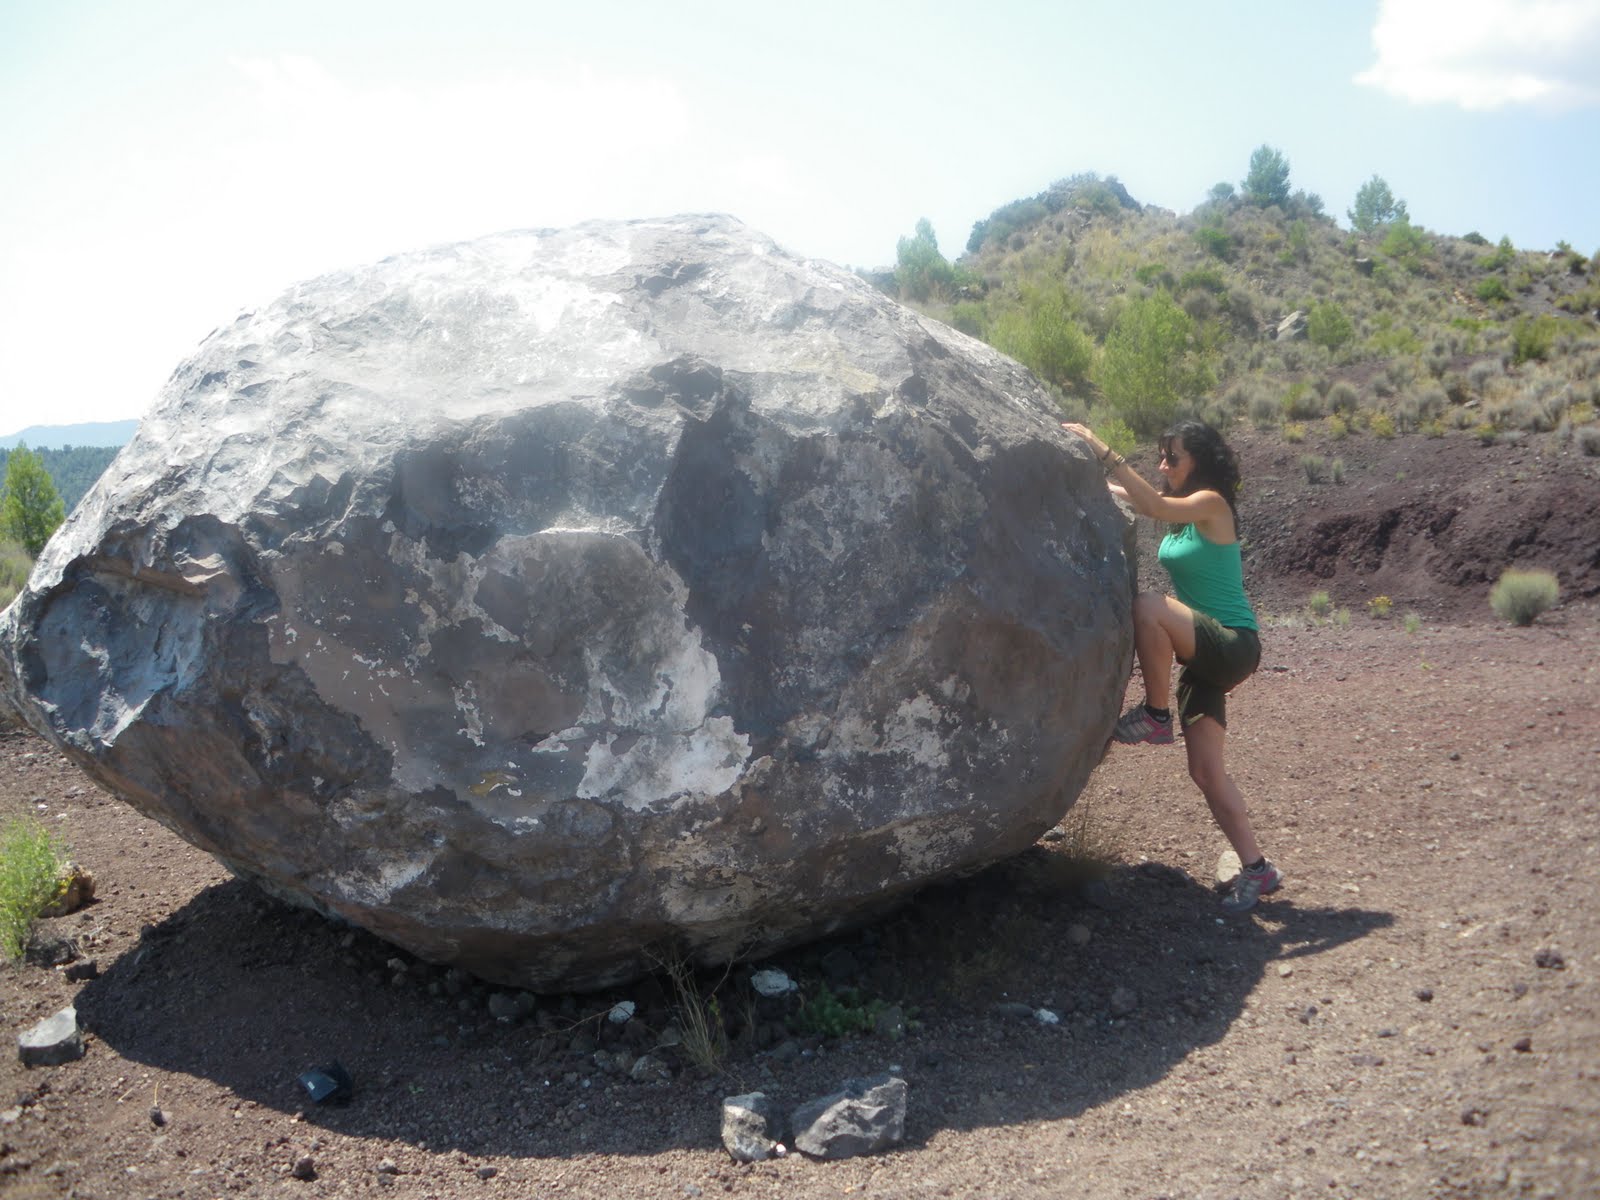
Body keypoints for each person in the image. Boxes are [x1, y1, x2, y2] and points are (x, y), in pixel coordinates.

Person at [1062, 418, 1281, 914]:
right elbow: (1137, 495)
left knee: (1148, 606)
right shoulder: (1184, 515)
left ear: (1199, 462)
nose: (1163, 465)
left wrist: (1099, 445)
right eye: (1161, 457)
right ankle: (1257, 869)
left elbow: (1152, 505)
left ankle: (1156, 717)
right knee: (1206, 772)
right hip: (1202, 659)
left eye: (1172, 457)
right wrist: (1082, 472)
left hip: (1230, 643)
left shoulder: (1211, 505)